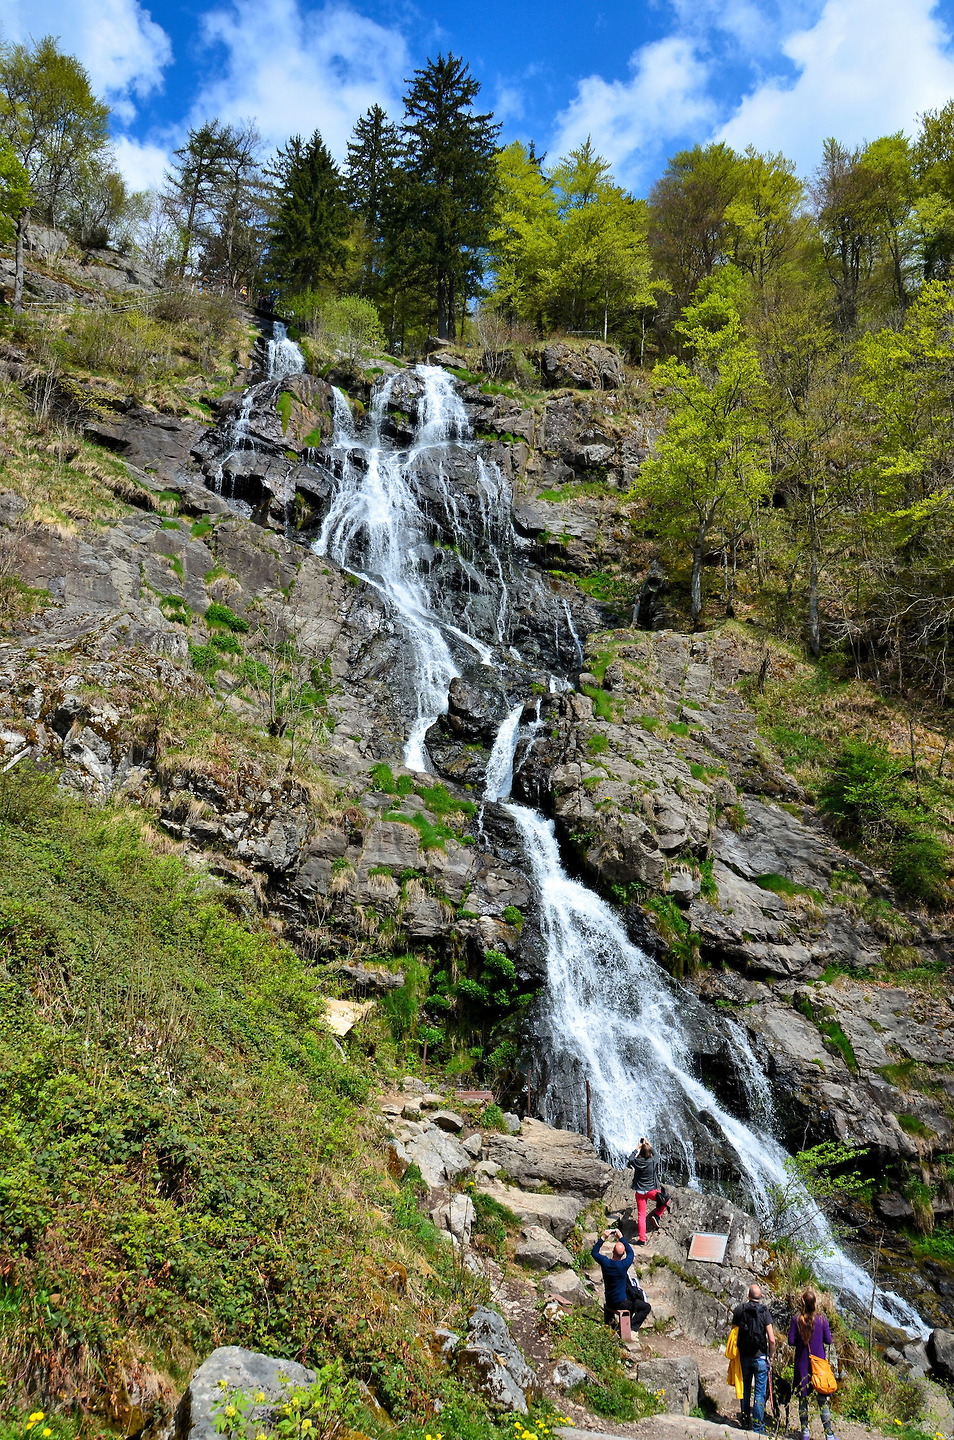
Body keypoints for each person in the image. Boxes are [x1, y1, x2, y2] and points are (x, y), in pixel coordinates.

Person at [789, 1289, 838, 1440]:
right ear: (815, 1303)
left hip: (802, 1364)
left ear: (802, 1302)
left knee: (803, 1399)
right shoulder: (822, 1319)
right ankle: (829, 1434)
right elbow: (828, 1341)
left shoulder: (796, 1319)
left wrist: (801, 1341)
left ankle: (805, 1432)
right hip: (819, 1366)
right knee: (822, 1400)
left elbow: (791, 1341)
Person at [730, 1283, 775, 1435]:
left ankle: (744, 1421)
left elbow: (733, 1333)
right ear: (760, 1297)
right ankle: (758, 1428)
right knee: (759, 1393)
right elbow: (772, 1339)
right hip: (761, 1357)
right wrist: (771, 1355)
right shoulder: (765, 1312)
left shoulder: (739, 1310)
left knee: (745, 1389)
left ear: (747, 1295)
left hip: (744, 1356)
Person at [590, 1229, 650, 1332]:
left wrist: (603, 1237)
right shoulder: (623, 1265)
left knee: (630, 1302)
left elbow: (594, 1252)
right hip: (621, 1303)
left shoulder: (605, 1263)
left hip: (609, 1300)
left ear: (612, 1251)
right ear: (622, 1255)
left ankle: (617, 1325)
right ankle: (631, 1328)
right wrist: (621, 1237)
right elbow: (631, 1253)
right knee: (645, 1307)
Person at [626, 1138, 669, 1244]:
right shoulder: (653, 1161)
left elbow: (630, 1158)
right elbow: (657, 1155)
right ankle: (657, 1215)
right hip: (651, 1191)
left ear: (641, 1152)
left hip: (640, 1192)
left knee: (641, 1215)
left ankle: (642, 1239)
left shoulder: (636, 1162)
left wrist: (637, 1148)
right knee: (666, 1199)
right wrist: (649, 1145)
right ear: (649, 1153)